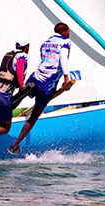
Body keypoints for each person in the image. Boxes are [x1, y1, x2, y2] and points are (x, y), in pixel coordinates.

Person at [8, 23, 73, 155]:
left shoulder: (45, 43)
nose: (69, 34)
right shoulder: (65, 42)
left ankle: (4, 110)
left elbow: (45, 59)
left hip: (35, 77)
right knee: (34, 116)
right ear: (64, 31)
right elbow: (62, 60)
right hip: (48, 83)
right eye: (68, 32)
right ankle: (15, 145)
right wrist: (66, 78)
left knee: (22, 94)